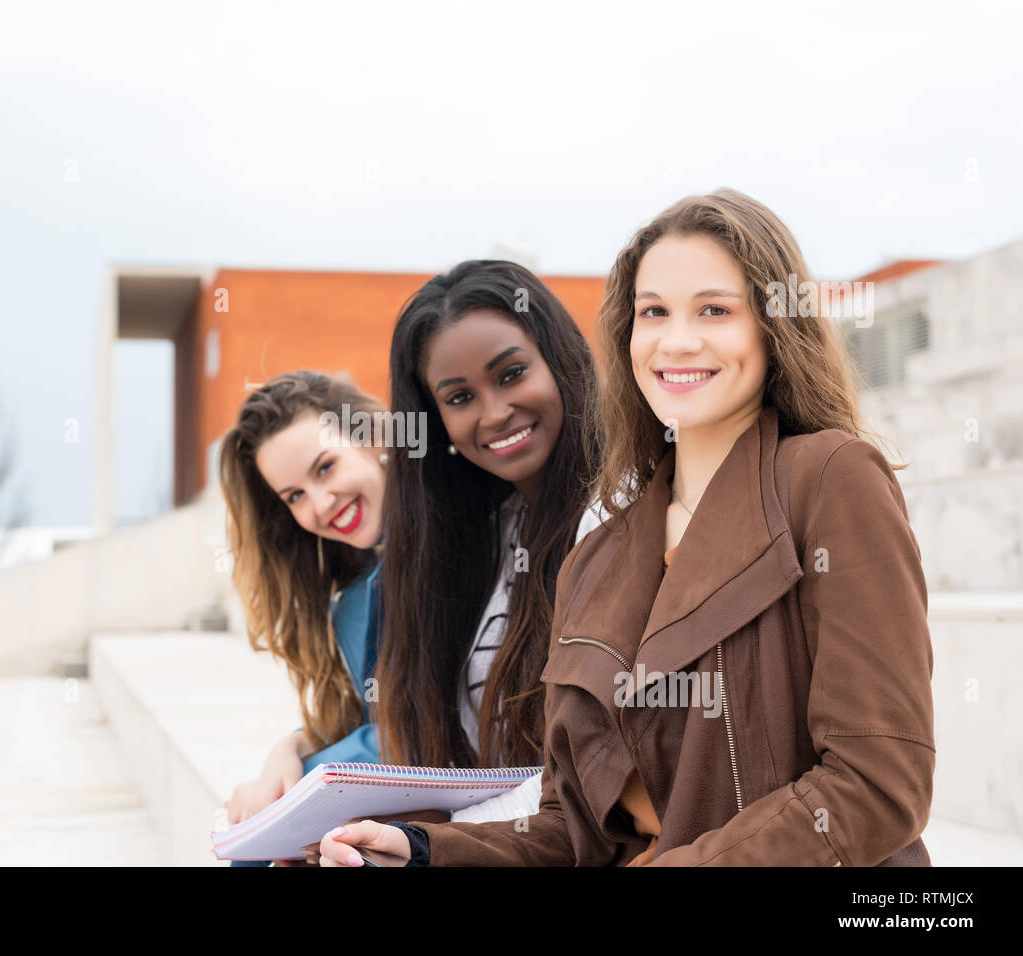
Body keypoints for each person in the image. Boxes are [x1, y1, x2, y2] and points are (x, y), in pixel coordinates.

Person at [319, 190, 935, 866]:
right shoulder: (599, 550)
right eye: (654, 313)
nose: (678, 340)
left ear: (771, 324)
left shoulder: (829, 478)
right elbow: (573, 829)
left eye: (714, 310)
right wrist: (421, 851)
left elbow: (878, 785)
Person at [374, 260, 604, 785]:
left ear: (559, 360)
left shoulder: (617, 514)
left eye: (512, 374)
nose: (495, 412)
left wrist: (436, 843)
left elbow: (587, 792)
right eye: (459, 398)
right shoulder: (492, 529)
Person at [220, 372, 388, 839]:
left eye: (325, 468)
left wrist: (297, 788)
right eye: (294, 495)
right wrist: (290, 747)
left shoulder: (465, 541)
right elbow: (372, 717)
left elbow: (414, 736)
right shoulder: (351, 605)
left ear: (372, 439)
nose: (319, 503)